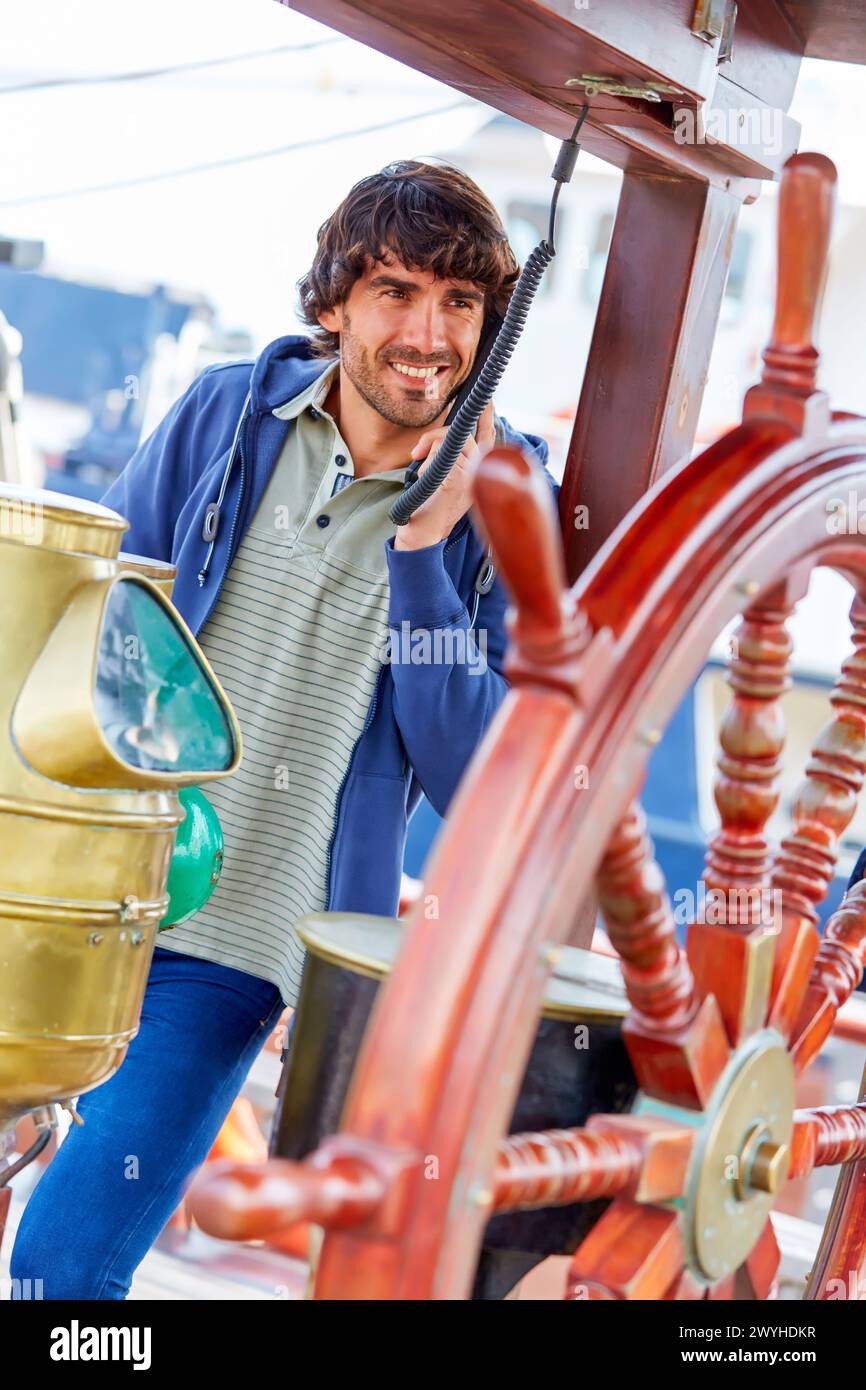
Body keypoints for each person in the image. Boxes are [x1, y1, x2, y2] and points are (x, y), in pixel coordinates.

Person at [10, 159, 558, 1299]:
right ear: (334, 304)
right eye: (398, 292)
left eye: (461, 304)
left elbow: (472, 771)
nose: (428, 332)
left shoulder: (504, 500)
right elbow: (102, 634)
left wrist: (422, 555)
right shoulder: (223, 410)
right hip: (88, 882)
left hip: (240, 943)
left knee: (64, 1271)